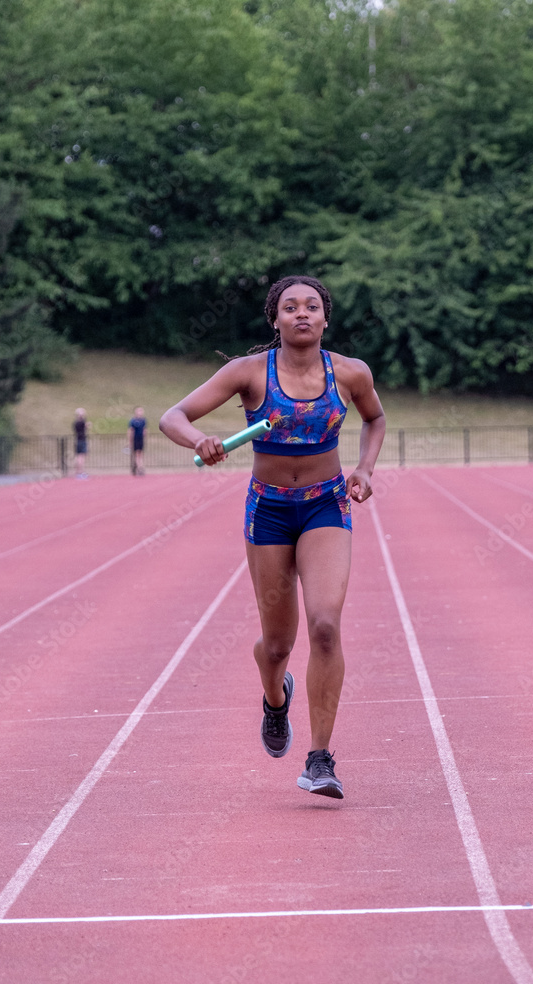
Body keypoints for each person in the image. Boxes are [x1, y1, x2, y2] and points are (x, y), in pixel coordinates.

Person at [159, 276, 385, 799]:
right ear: (275, 319)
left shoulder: (350, 373)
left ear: (326, 318)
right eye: (290, 307)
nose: (301, 313)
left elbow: (375, 419)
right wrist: (201, 439)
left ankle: (320, 758)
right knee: (279, 643)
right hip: (270, 512)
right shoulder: (248, 373)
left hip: (327, 505)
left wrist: (366, 469)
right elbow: (175, 416)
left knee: (325, 626)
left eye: (312, 306)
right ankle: (274, 698)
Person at [128, 406, 148, 475]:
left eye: (141, 411)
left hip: (141, 439)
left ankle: (138, 467)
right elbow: (130, 431)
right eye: (139, 411)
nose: (140, 412)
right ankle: (140, 468)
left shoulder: (143, 420)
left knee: (140, 453)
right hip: (135, 439)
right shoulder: (133, 421)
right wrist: (130, 441)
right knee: (137, 454)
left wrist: (145, 437)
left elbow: (145, 430)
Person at [72, 408, 91, 479]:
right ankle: (81, 472)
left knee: (77, 457)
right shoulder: (82, 422)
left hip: (77, 440)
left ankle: (77, 472)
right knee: (81, 457)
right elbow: (86, 425)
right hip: (82, 440)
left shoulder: (75, 423)